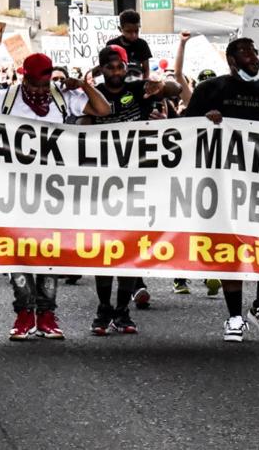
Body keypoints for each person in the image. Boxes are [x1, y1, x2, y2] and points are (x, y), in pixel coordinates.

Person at [0, 53, 110, 340]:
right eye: (36, 84)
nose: (41, 91)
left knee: (49, 252)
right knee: (18, 255)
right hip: (13, 193)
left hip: (53, 194)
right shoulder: (3, 100)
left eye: (46, 84)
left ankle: (47, 316)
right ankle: (24, 315)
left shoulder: (63, 98)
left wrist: (84, 86)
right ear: (24, 77)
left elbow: (103, 109)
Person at [183, 37, 259, 342]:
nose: (254, 56)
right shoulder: (211, 90)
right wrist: (206, 122)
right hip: (223, 185)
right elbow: (183, 130)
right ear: (232, 59)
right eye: (247, 51)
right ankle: (234, 316)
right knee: (229, 249)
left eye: (255, 51)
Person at [87, 44, 180, 336]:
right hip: (102, 183)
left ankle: (122, 312)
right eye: (110, 67)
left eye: (120, 66)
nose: (115, 72)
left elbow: (176, 89)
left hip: (138, 181)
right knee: (104, 250)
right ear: (101, 68)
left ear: (126, 67)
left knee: (127, 249)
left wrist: (163, 84)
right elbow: (80, 126)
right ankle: (103, 311)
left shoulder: (140, 88)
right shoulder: (93, 94)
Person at [106, 9, 152, 79]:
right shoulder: (112, 45)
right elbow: (107, 68)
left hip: (137, 82)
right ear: (120, 29)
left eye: (136, 31)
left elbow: (146, 70)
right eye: (129, 31)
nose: (133, 35)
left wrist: (144, 84)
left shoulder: (142, 44)